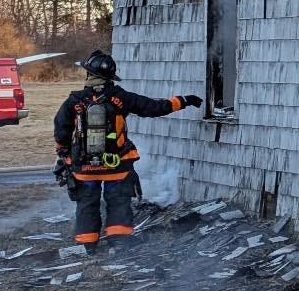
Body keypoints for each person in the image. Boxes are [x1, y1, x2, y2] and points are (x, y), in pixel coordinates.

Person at [52, 51, 200, 249]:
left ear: (88, 74)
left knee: (87, 205)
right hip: (117, 166)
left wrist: (64, 154)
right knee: (119, 203)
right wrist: (184, 100)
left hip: (85, 169)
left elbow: (61, 129)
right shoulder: (120, 97)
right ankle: (120, 243)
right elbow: (154, 107)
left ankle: (87, 245)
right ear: (110, 77)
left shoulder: (74, 101)